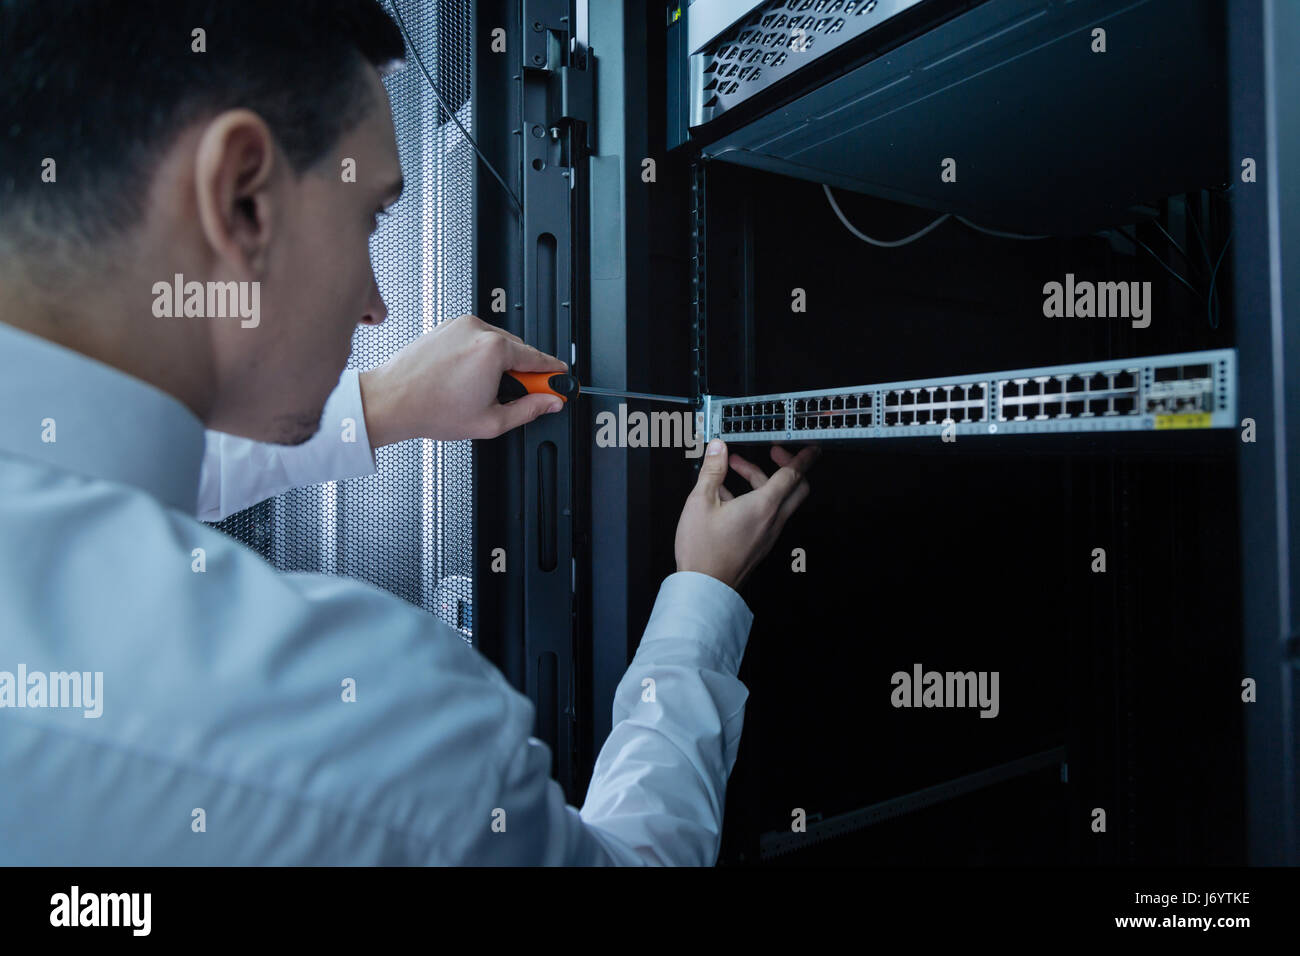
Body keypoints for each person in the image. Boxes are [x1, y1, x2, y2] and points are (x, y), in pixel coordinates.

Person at [0, 0, 817, 865]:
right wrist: (702, 596)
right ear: (240, 197)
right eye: (371, 218)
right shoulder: (343, 727)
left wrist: (382, 405)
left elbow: (121, 475)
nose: (376, 305)